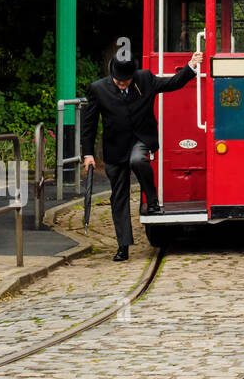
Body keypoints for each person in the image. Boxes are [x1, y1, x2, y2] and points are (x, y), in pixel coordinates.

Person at [80, 51, 202, 261]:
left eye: (125, 81)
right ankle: (123, 246)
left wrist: (190, 66)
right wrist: (88, 154)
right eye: (118, 81)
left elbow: (171, 83)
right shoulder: (98, 89)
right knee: (119, 197)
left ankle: (152, 200)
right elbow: (89, 125)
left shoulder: (145, 79)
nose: (122, 84)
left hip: (141, 139)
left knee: (137, 159)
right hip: (114, 148)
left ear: (132, 76)